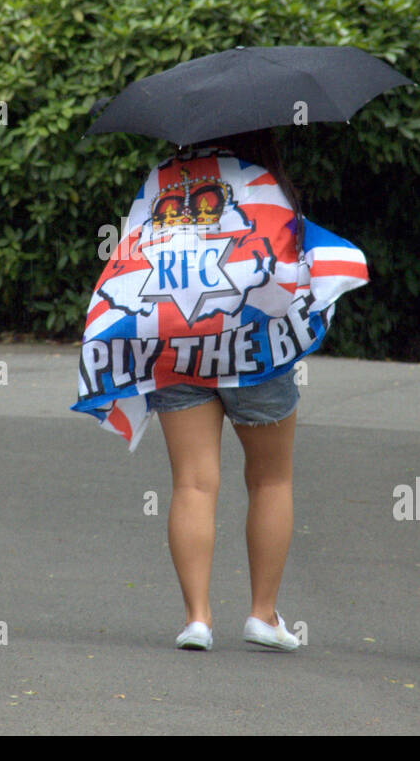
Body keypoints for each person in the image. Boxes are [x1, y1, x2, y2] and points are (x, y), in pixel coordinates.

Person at [71, 130, 368, 651]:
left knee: (192, 484)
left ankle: (197, 619)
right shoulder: (260, 179)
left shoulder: (160, 179)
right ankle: (262, 615)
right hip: (257, 352)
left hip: (177, 349)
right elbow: (287, 261)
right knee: (271, 480)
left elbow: (132, 257)